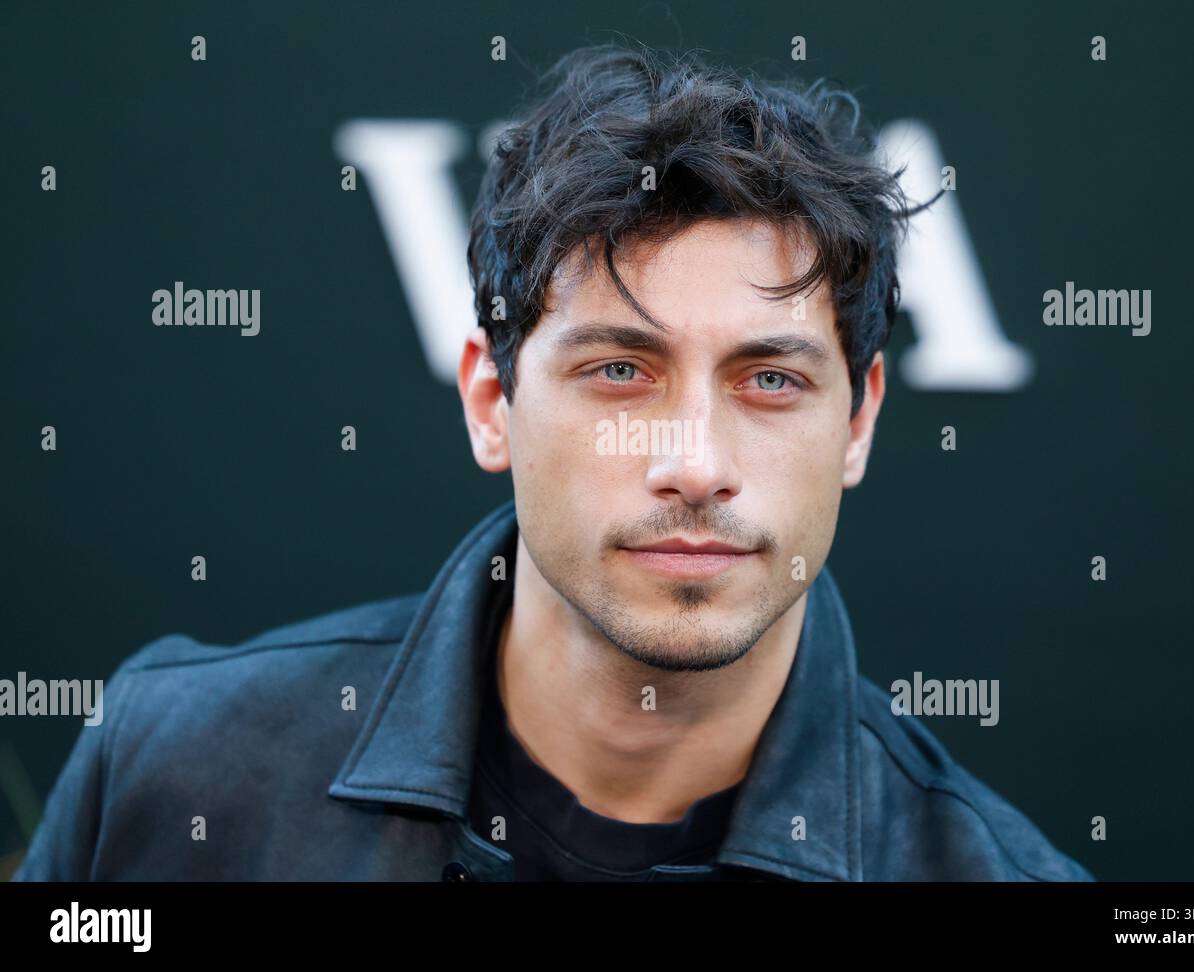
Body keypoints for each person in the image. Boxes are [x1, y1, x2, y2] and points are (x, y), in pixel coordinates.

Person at [15, 42, 1091, 882]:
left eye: (770, 380)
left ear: (857, 424)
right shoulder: (172, 773)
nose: (694, 464)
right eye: (620, 370)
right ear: (493, 404)